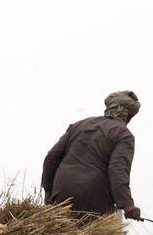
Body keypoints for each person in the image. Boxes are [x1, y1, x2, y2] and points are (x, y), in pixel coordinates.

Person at [41, 91, 142, 221]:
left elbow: (52, 156)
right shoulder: (124, 135)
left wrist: (48, 191)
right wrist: (127, 205)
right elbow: (117, 170)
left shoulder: (79, 125)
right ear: (128, 115)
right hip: (94, 196)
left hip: (61, 190)